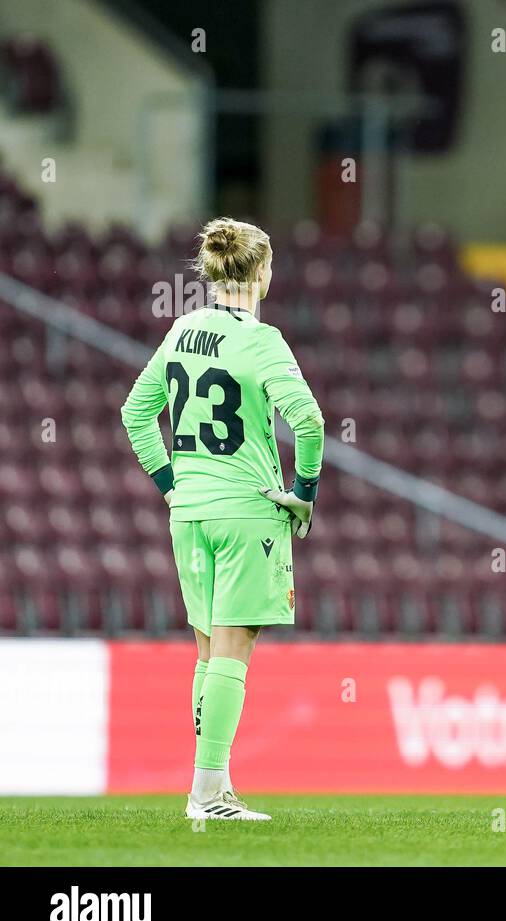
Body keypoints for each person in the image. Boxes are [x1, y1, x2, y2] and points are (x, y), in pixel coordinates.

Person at [120, 217, 324, 820]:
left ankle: (215, 787)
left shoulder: (182, 329)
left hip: (189, 515)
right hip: (245, 510)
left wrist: (171, 487)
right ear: (261, 273)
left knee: (209, 652)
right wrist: (304, 491)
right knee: (235, 647)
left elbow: (136, 413)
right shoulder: (263, 341)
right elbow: (309, 422)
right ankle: (207, 793)